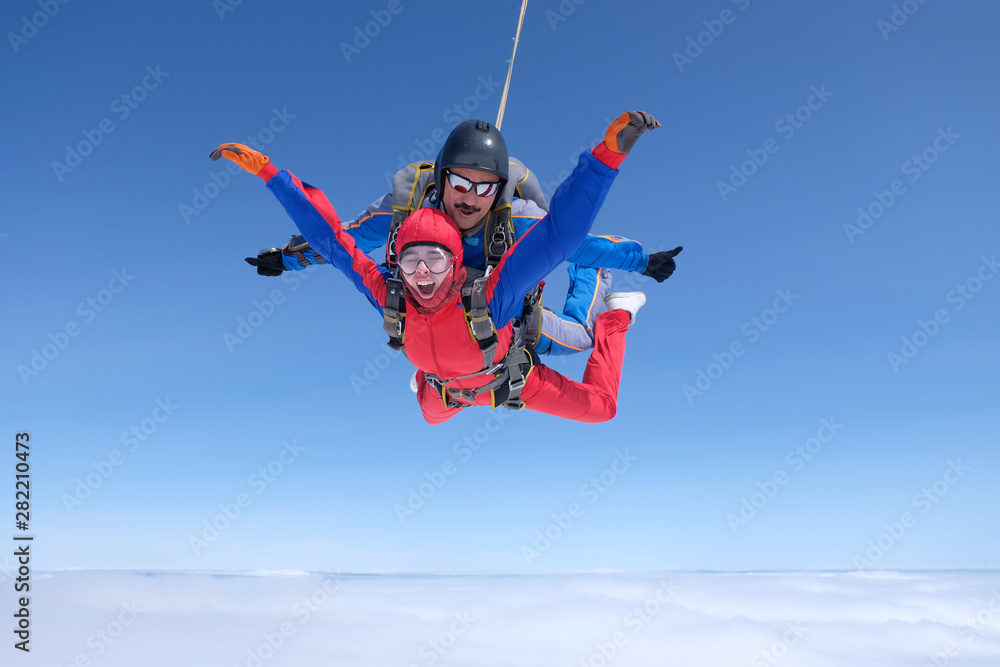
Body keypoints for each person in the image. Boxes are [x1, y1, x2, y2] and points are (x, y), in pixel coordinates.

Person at [213, 111, 659, 423]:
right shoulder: (393, 278)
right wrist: (273, 185)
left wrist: (606, 161)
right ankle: (436, 377)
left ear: (456, 265)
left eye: (436, 260)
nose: (422, 273)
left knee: (589, 365)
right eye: (411, 260)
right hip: (447, 382)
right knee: (431, 412)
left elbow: (564, 234)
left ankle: (615, 309)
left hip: (507, 351)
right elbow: (334, 240)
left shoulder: (500, 275)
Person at [245, 119, 683, 356]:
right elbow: (341, 241)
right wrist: (286, 259)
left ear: (497, 189)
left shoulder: (514, 220)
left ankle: (598, 282)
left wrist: (641, 262)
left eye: (485, 187)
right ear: (441, 178)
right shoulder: (408, 217)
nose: (471, 199)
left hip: (503, 307)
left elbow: (569, 243)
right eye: (460, 183)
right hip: (447, 321)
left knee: (582, 339)